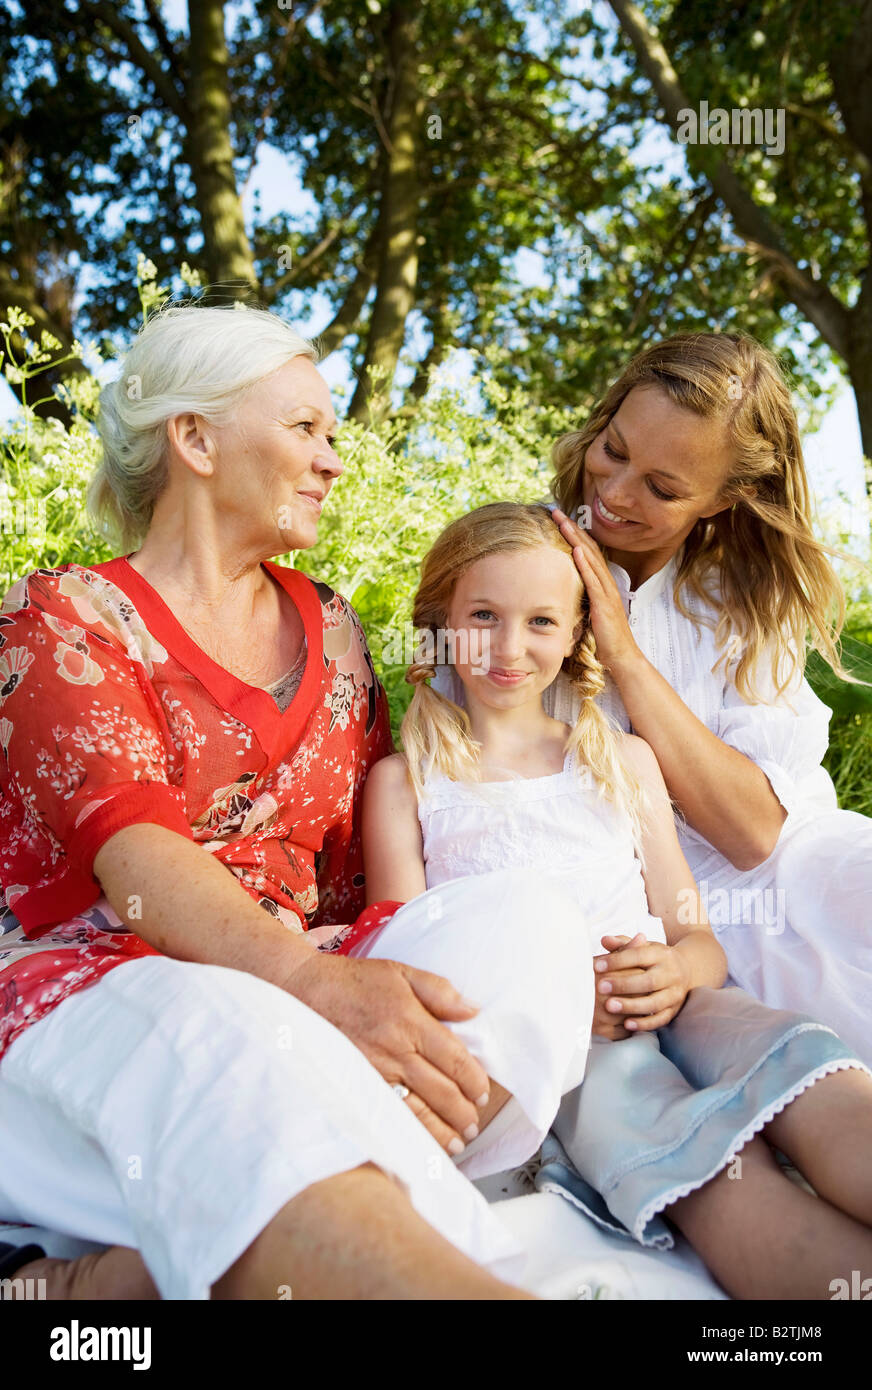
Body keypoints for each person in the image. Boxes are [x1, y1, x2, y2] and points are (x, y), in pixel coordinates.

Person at [0, 304, 534, 1301]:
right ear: (193, 437)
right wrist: (312, 985)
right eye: (303, 428)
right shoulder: (60, 620)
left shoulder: (332, 626)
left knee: (523, 924)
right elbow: (136, 857)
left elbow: (386, 838)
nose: (332, 459)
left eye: (331, 434)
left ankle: (168, 1256)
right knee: (224, 1026)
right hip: (116, 988)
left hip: (302, 990)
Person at [363, 502, 872, 1299]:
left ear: (576, 636)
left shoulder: (620, 760)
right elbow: (408, 971)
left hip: (685, 1013)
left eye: (540, 621)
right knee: (706, 1169)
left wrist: (675, 974)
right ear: (438, 625)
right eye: (483, 617)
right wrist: (560, 1004)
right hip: (580, 1058)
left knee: (812, 1077)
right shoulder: (409, 784)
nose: (508, 647)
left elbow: (696, 940)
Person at [545, 332, 872, 1067]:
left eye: (663, 489)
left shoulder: (744, 597)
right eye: (614, 448)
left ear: (727, 499)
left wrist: (623, 655)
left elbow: (754, 836)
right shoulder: (523, 561)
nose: (617, 493)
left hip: (776, 875)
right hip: (626, 893)